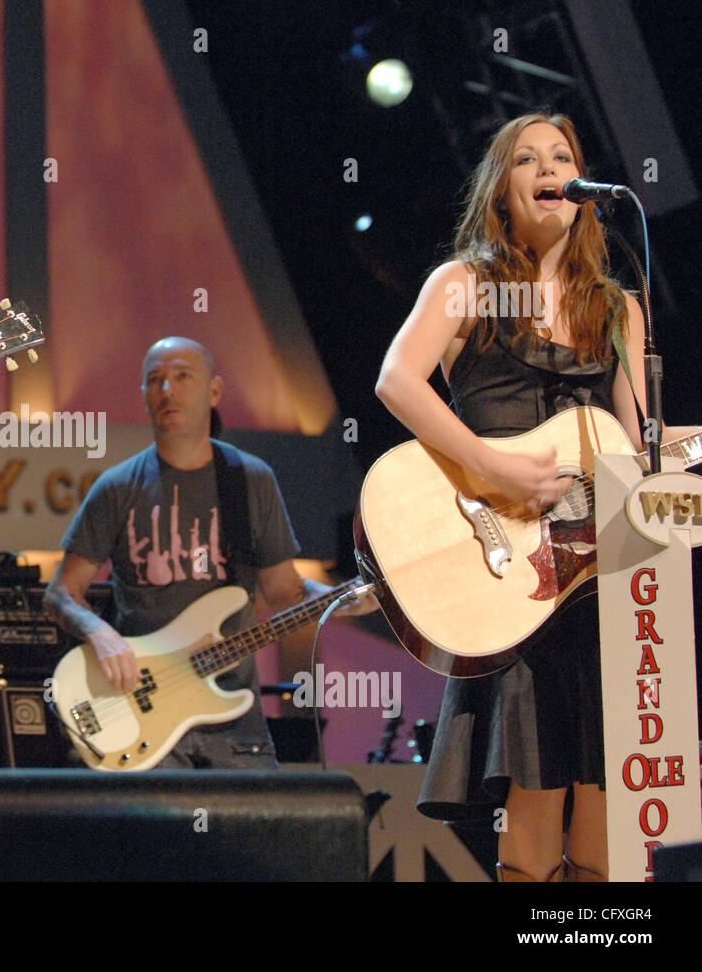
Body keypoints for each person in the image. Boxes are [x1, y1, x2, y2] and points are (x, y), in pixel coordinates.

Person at [375, 112, 693, 882]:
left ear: (584, 191)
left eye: (563, 156)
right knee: (535, 796)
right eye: (527, 158)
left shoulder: (618, 308)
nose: (549, 167)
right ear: (503, 189)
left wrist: (672, 479)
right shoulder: (464, 285)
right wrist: (493, 467)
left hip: (598, 578)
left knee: (612, 807)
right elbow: (395, 380)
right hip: (513, 578)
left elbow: (641, 447)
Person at [44, 336, 372, 768]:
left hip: (235, 726)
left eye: (182, 376)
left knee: (258, 833)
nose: (167, 390)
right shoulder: (117, 488)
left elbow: (282, 593)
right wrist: (99, 633)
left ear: (214, 391)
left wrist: (339, 602)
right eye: (155, 381)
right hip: (142, 714)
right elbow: (61, 593)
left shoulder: (251, 480)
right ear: (143, 396)